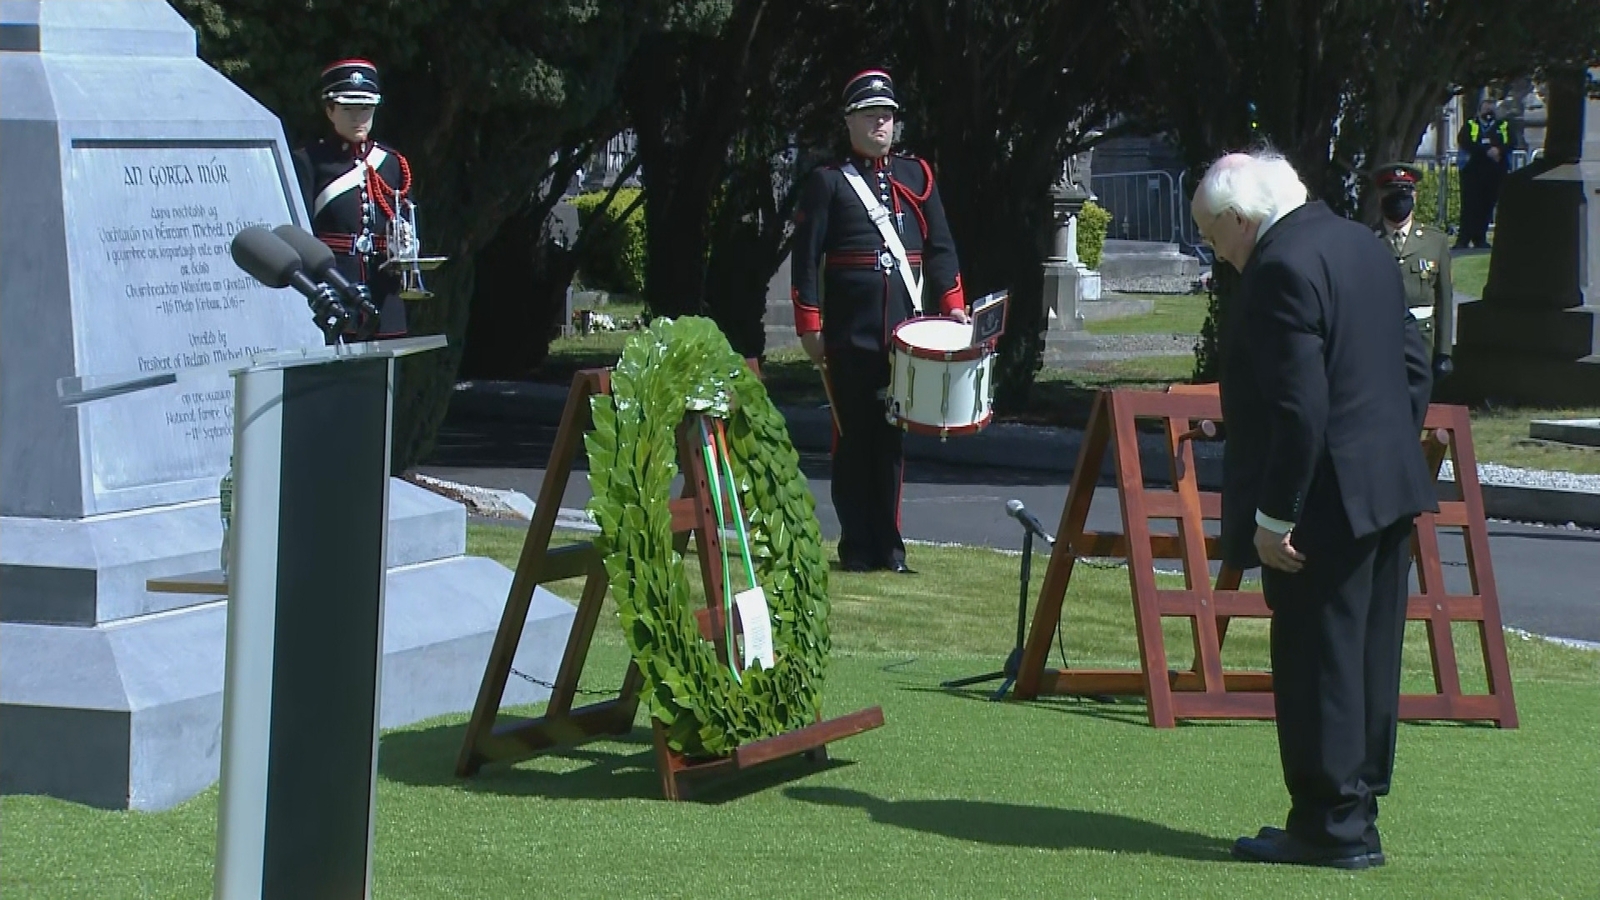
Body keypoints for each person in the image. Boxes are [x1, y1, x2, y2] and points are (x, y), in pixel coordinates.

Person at [1191, 150, 1436, 870]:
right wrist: (1382, 441)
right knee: (1367, 660)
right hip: (1386, 485)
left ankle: (1327, 824)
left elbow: (1299, 409)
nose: (1218, 253)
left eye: (1213, 237)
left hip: (1320, 499)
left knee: (1315, 661)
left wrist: (1273, 515)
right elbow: (1414, 367)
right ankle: (1355, 814)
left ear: (1241, 219)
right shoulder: (1364, 245)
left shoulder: (1278, 268)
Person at [790, 69, 967, 574]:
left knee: (891, 443)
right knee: (852, 441)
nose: (882, 123)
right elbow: (807, 259)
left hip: (902, 337)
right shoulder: (828, 182)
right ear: (850, 121)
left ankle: (890, 547)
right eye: (871, 115)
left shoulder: (915, 177)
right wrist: (810, 326)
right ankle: (856, 546)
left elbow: (940, 248)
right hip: (850, 336)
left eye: (888, 115)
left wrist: (953, 303)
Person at [292, 59, 411, 343]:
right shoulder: (310, 162)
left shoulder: (391, 163)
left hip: (384, 295)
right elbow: (299, 232)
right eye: (348, 109)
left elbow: (405, 220)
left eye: (366, 109)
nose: (358, 117)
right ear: (330, 110)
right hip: (336, 290)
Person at [1373, 162, 1454, 385]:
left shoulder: (1434, 242)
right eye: (1391, 193)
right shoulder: (1367, 239)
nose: (1398, 198)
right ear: (1380, 197)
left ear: (1415, 197)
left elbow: (1444, 300)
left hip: (1422, 341)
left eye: (1404, 192)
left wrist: (1444, 352)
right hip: (1379, 342)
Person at [1454, 97, 1512, 249]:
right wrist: (1486, 150)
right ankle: (1463, 239)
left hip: (1495, 172)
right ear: (1480, 110)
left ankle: (1480, 238)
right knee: (1470, 206)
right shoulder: (1471, 125)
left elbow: (1511, 142)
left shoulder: (1503, 125)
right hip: (1473, 171)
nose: (1489, 113)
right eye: (1486, 109)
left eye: (1491, 110)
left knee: (1487, 206)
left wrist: (1498, 150)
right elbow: (1465, 141)